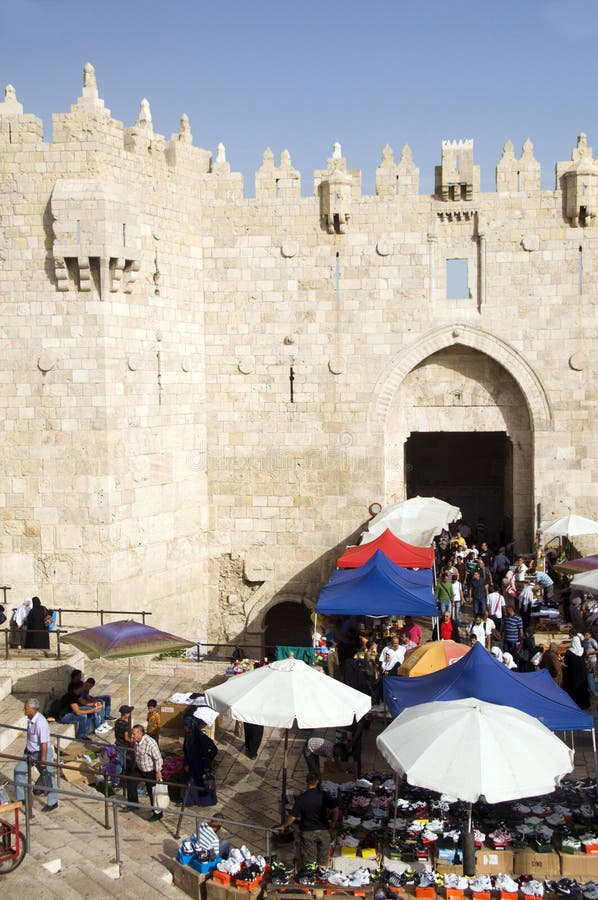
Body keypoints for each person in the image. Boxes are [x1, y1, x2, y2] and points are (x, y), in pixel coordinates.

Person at [276, 772, 339, 867]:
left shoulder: (301, 799)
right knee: (323, 859)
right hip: (323, 831)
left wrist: (283, 826)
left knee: (310, 860)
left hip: (307, 832)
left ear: (306, 782)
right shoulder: (324, 795)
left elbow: (292, 817)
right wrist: (333, 823)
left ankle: (310, 876)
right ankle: (322, 874)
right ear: (317, 782)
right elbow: (336, 810)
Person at [14, 698, 58, 812]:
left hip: (41, 753)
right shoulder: (30, 719)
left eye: (26, 708)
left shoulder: (41, 723)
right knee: (19, 771)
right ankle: (22, 798)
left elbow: (44, 744)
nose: (24, 710)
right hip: (30, 752)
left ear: (33, 709)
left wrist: (42, 760)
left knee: (47, 776)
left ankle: (53, 802)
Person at [182, 711, 218, 806]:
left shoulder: (201, 737)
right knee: (190, 783)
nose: (184, 728)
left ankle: (205, 801)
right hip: (191, 765)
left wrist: (207, 761)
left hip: (201, 766)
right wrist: (186, 763)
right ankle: (190, 801)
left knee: (201, 783)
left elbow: (213, 749)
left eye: (186, 725)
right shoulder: (188, 736)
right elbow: (186, 751)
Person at [131, 724, 164, 821]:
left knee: (152, 792)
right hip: (139, 768)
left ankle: (157, 813)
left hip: (150, 771)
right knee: (131, 781)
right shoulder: (136, 742)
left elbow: (158, 758)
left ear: (140, 734)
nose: (132, 736)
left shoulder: (150, 743)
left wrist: (158, 771)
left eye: (134, 734)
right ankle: (133, 804)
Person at [563, 636, 591, 710]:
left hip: (573, 673)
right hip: (582, 673)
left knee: (574, 688)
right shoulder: (583, 650)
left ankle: (575, 704)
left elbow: (566, 662)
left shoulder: (569, 652)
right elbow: (585, 658)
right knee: (583, 688)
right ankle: (585, 704)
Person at [114, 705, 135, 798]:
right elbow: (127, 738)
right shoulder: (125, 725)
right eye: (129, 713)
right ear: (126, 714)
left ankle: (116, 781)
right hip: (124, 747)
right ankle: (120, 781)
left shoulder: (117, 722)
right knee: (123, 763)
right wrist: (134, 741)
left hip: (118, 744)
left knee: (119, 762)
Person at [583, 630, 598, 696]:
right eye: (584, 635)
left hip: (592, 660)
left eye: (586, 635)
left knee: (592, 674)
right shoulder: (584, 641)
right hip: (587, 660)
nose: (585, 636)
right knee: (588, 675)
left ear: (590, 635)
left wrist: (590, 653)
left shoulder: (592, 641)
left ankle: (593, 690)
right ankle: (590, 688)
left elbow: (597, 650)